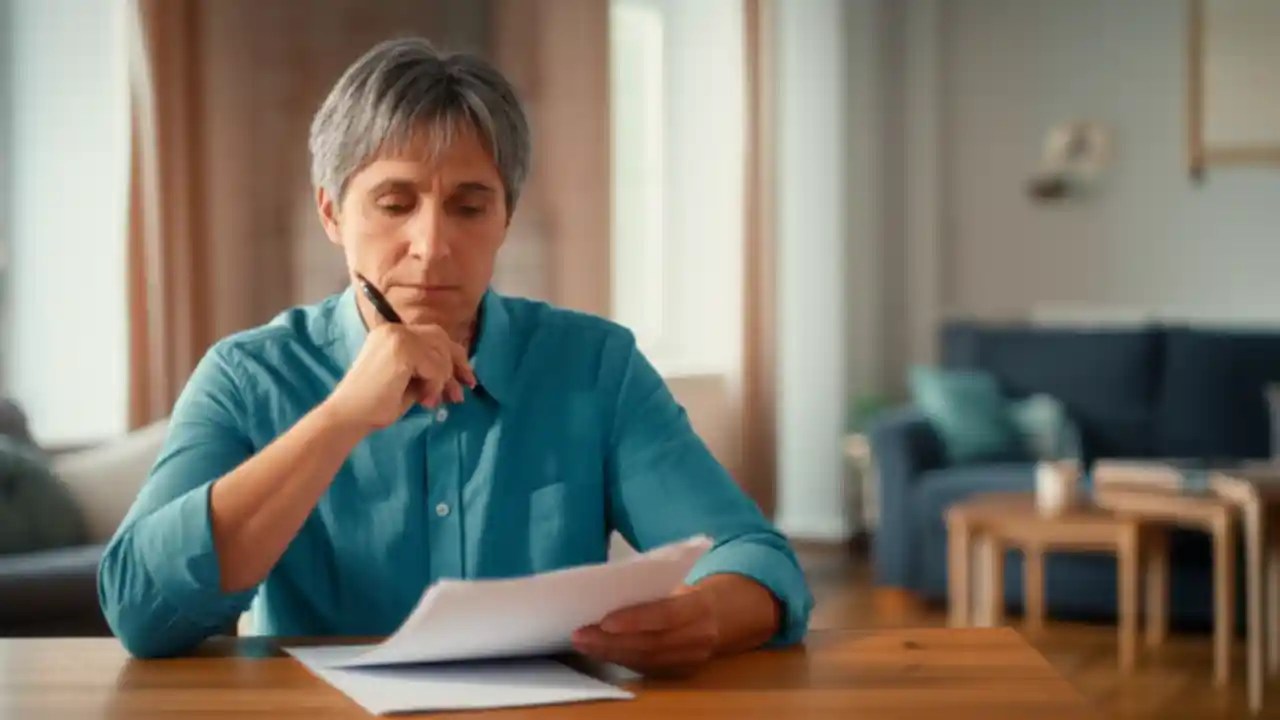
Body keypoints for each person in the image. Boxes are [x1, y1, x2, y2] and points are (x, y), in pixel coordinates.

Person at [98, 38, 812, 674]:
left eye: (469, 207)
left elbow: (756, 561)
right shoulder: (246, 377)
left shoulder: (595, 366)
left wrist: (706, 617)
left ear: (505, 217)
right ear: (331, 214)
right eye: (394, 202)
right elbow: (138, 609)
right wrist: (342, 417)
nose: (432, 245)